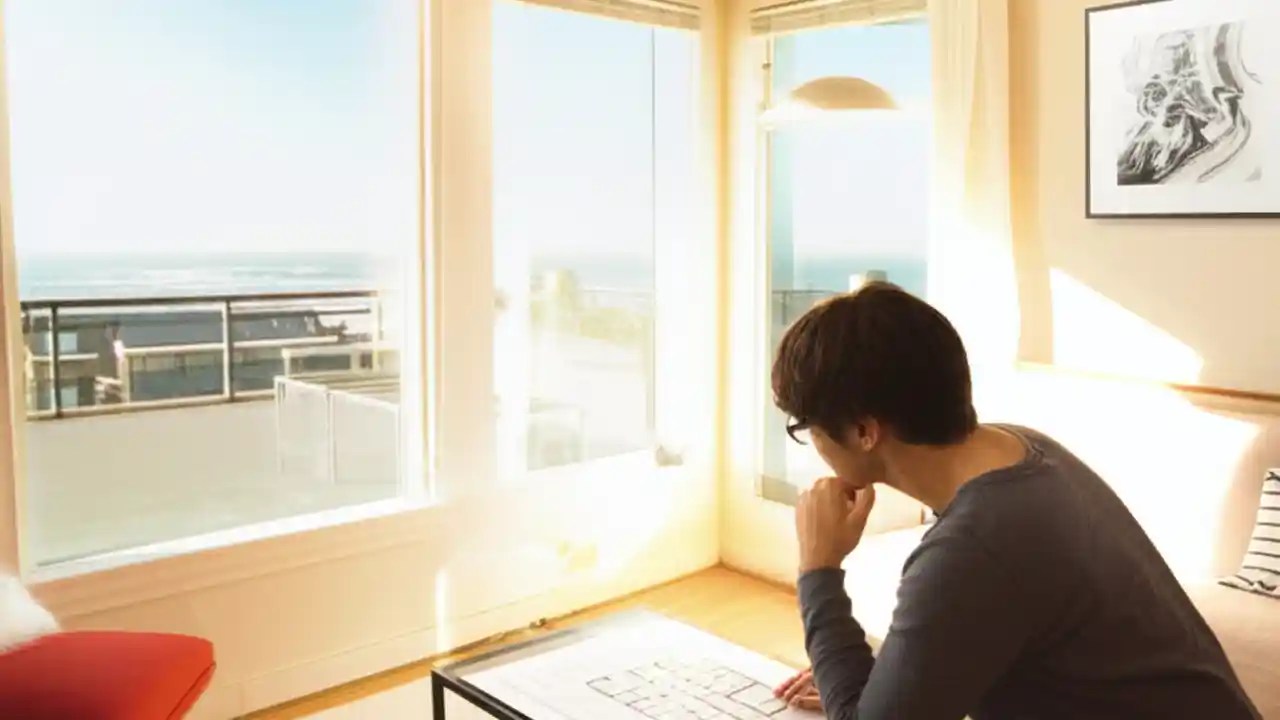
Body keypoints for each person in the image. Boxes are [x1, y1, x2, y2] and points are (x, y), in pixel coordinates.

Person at [768, 283, 1260, 720]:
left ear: (863, 431)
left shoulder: (976, 544)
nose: (812, 441)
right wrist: (882, 683)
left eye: (805, 426)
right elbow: (980, 628)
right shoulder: (1024, 448)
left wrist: (818, 571)